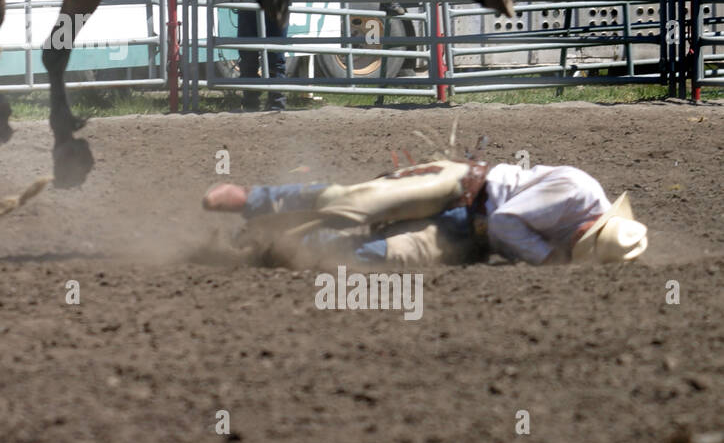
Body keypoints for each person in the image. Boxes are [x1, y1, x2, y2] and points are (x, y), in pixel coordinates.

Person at [203, 159, 648, 269]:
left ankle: (273, 250)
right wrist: (546, 259)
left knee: (383, 255)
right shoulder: (576, 191)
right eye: (584, 242)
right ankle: (254, 199)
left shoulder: (576, 235)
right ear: (596, 223)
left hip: (471, 239)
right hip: (464, 187)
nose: (576, 249)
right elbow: (505, 221)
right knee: (358, 199)